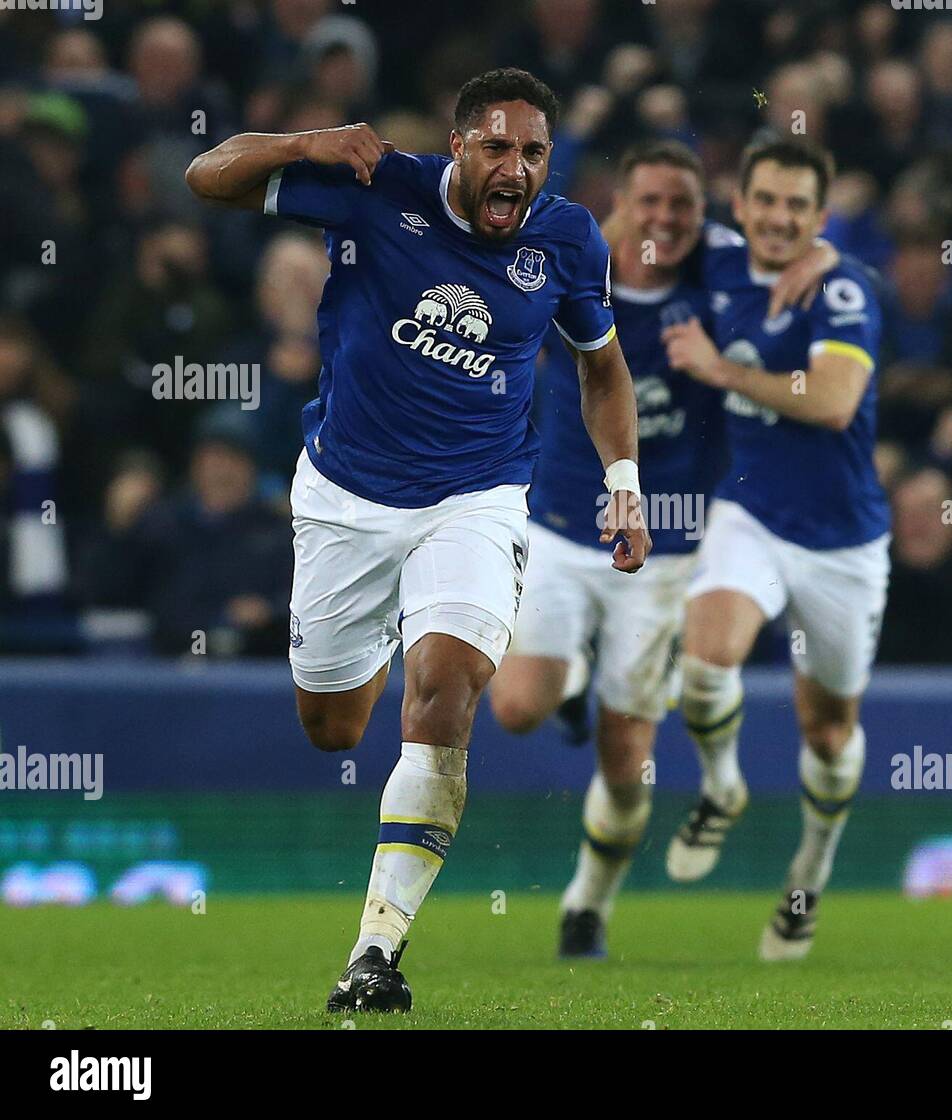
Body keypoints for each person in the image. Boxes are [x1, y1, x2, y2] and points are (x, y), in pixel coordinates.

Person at [185, 67, 650, 1012]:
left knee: (444, 693)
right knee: (334, 728)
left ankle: (375, 952)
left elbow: (603, 370)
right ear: (458, 147)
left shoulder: (567, 240)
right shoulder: (375, 188)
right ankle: (394, 638)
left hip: (476, 498)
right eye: (496, 146)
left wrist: (624, 484)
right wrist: (305, 141)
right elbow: (208, 175)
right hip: (347, 498)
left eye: (532, 152)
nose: (514, 167)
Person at [490, 138, 835, 958]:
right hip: (561, 523)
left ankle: (586, 904)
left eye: (682, 204)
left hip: (670, 545)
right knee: (515, 707)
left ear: (702, 212)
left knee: (627, 761)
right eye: (650, 202)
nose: (666, 219)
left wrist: (820, 254)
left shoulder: (719, 274)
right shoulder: (568, 263)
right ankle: (569, 676)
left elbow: (804, 258)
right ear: (620, 201)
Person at [661, 137, 888, 961]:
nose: (781, 218)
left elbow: (832, 401)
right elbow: (624, 233)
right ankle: (722, 787)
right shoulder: (714, 263)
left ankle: (809, 876)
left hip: (843, 538)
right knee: (706, 658)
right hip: (748, 511)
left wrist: (721, 371)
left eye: (799, 207)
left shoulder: (844, 288)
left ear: (821, 218)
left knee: (827, 733)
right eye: (767, 200)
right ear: (740, 205)